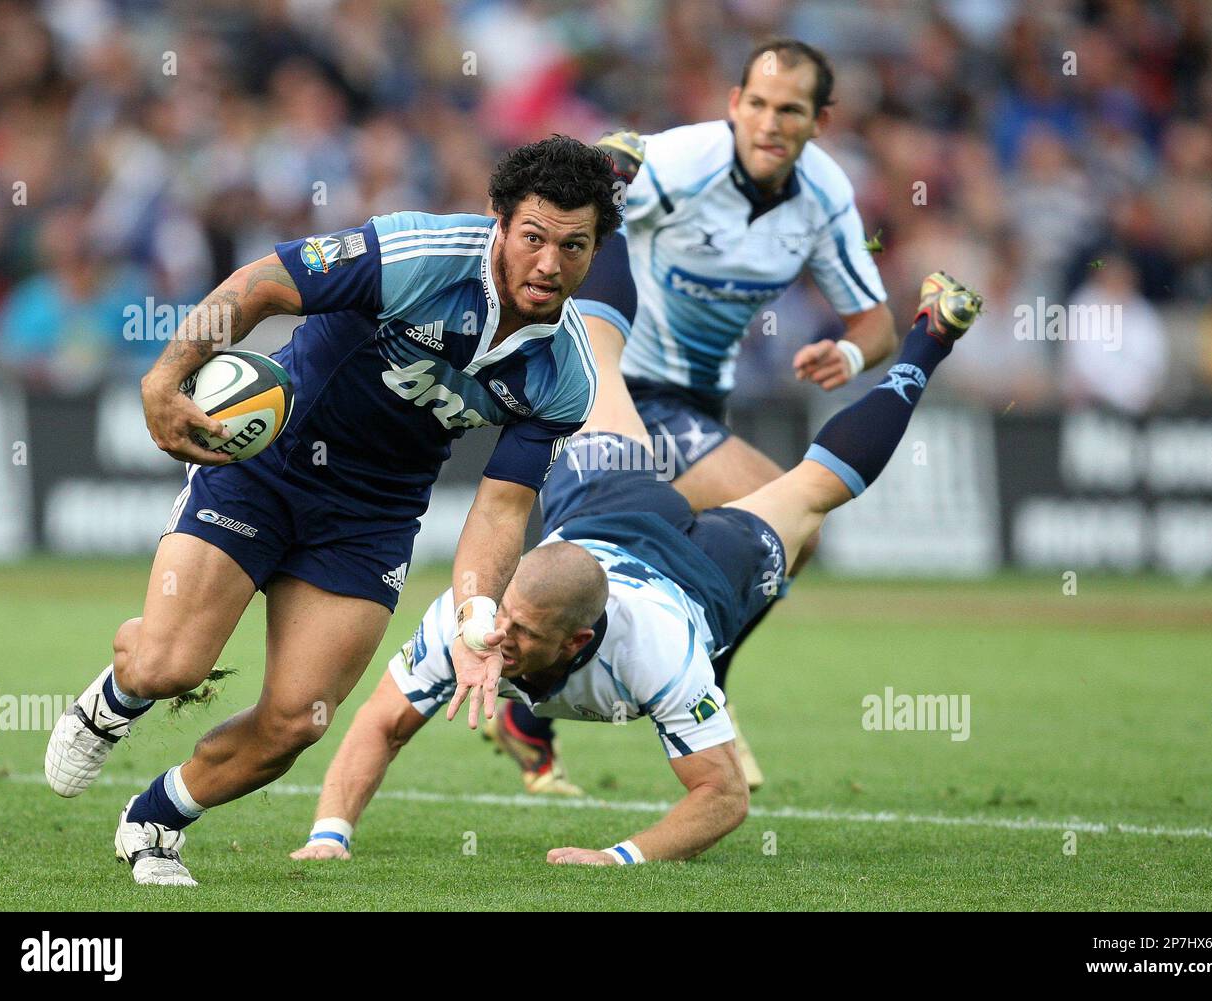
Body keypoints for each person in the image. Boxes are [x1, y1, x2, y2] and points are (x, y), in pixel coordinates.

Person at [44, 136, 622, 886]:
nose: (549, 263)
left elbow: (502, 509)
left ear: (594, 249)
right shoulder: (417, 253)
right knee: (168, 664)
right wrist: (167, 376)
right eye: (534, 237)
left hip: (373, 515)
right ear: (498, 222)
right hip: (266, 463)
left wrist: (478, 613)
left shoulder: (567, 374)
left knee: (297, 721)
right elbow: (259, 287)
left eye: (572, 247)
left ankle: (155, 819)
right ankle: (119, 694)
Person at [290, 273, 980, 865]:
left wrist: (622, 856)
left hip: (704, 571)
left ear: (576, 643)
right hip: (602, 511)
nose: (498, 638)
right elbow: (379, 723)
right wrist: (330, 832)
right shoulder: (475, 617)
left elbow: (724, 797)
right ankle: (613, 180)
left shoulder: (657, 654)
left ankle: (930, 337)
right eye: (503, 618)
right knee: (597, 352)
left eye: (521, 633)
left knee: (814, 491)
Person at [489, 38, 897, 793]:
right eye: (760, 104)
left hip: (699, 398)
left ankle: (535, 709)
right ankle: (700, 692)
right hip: (623, 379)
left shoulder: (826, 196)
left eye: (792, 111)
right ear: (735, 103)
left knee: (775, 543)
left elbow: (878, 322)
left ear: (819, 121)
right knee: (790, 512)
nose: (771, 123)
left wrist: (850, 353)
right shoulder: (680, 163)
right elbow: (580, 215)